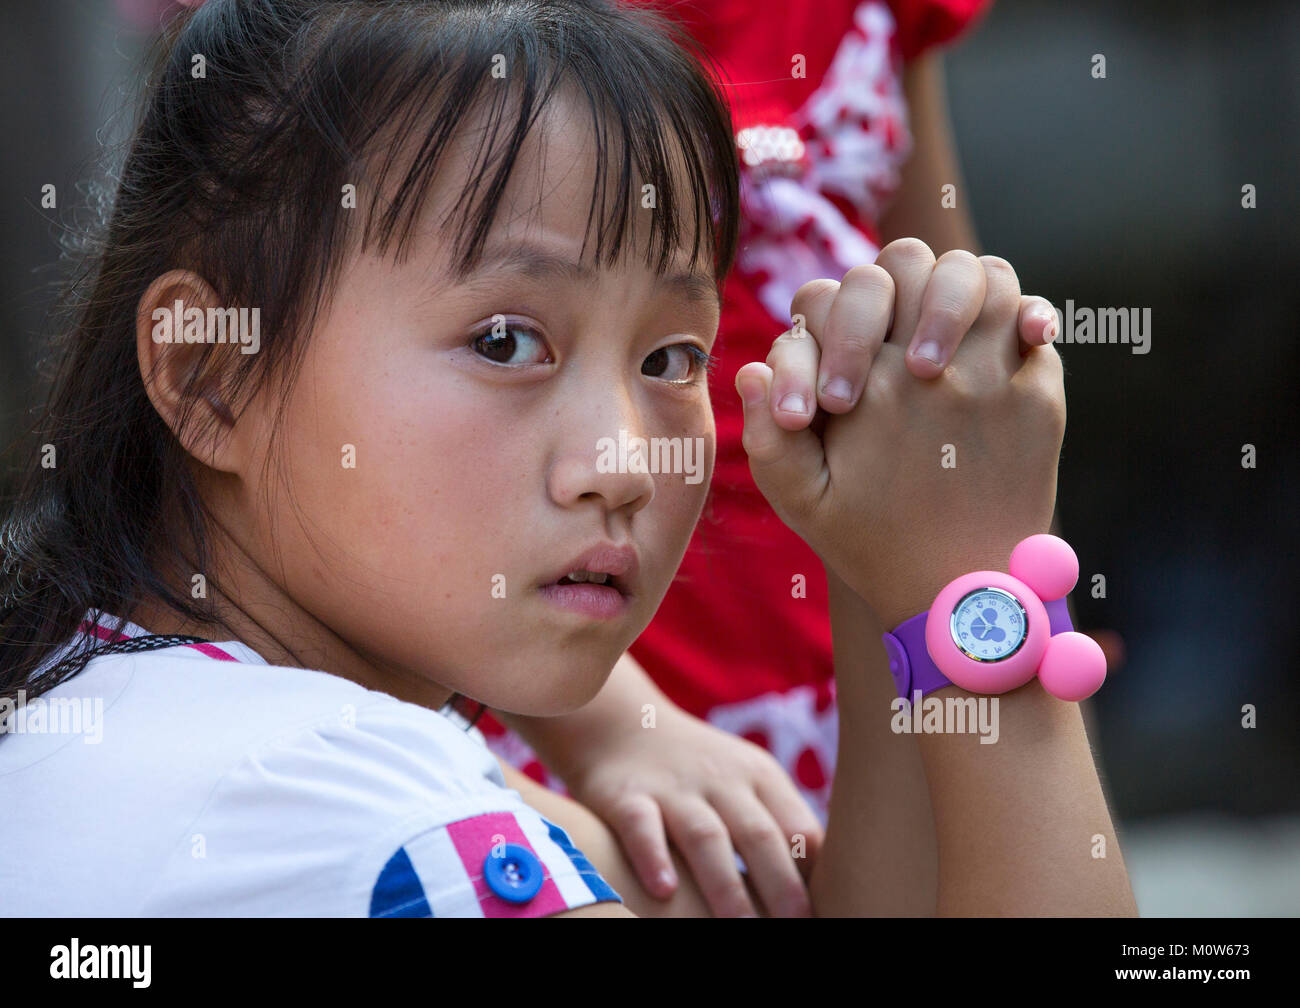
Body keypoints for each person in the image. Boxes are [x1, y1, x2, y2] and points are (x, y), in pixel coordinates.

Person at [0, 0, 1134, 917]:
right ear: (211, 374)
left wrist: (890, 580)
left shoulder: (116, 716)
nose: (622, 464)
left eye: (673, 355)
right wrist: (974, 593)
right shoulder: (396, 838)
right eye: (505, 342)